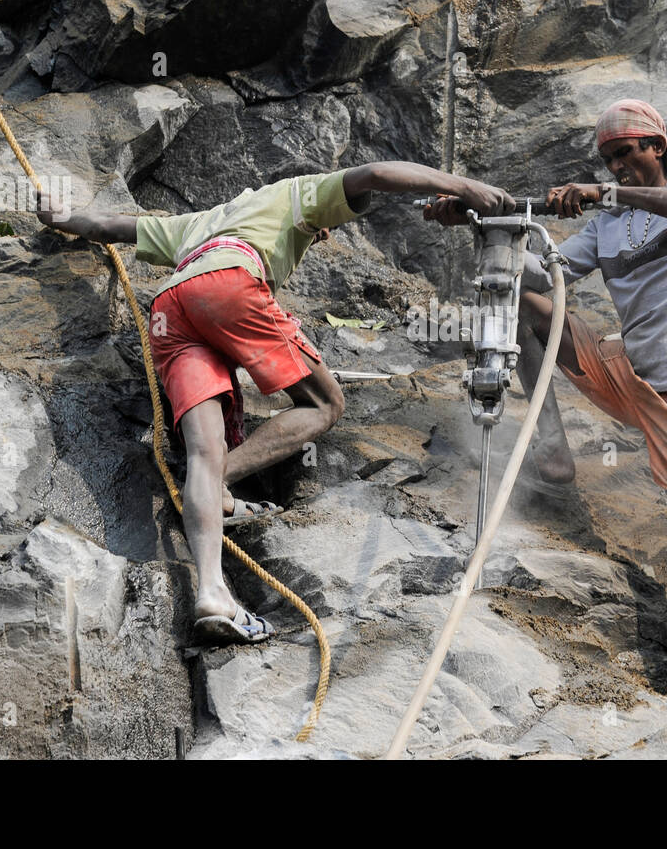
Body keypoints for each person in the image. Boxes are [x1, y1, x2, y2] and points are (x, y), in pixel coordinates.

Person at [425, 98, 667, 731]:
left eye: (627, 152)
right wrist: (482, 222)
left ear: (658, 145)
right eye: (609, 158)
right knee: (526, 306)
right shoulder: (607, 225)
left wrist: (604, 192)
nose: (620, 165)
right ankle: (554, 450)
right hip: (621, 371)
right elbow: (542, 270)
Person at [38, 161, 513, 645]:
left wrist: (60, 217)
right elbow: (373, 174)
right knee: (325, 404)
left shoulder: (203, 220)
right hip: (229, 283)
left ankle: (212, 590)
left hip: (170, 306)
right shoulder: (296, 192)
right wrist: (465, 185)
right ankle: (222, 482)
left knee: (204, 454)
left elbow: (105, 226)